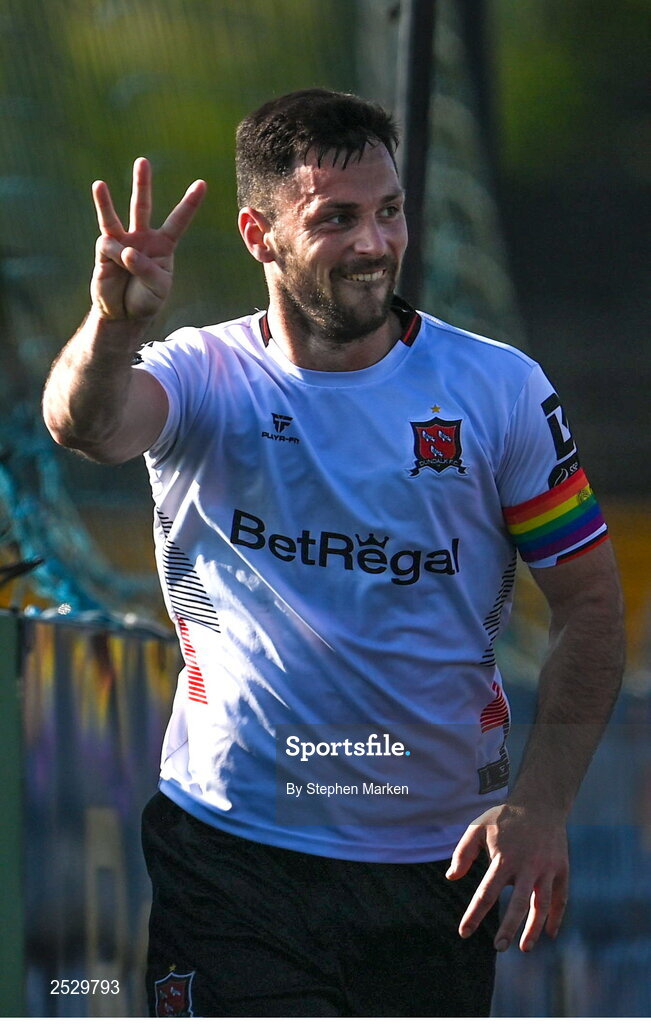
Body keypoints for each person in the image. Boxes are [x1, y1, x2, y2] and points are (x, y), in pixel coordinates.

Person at [42, 89, 625, 1017]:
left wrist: (543, 802)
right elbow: (84, 423)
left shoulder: (498, 390)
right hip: (231, 853)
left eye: (389, 212)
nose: (374, 244)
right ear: (258, 234)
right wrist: (114, 322)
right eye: (336, 219)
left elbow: (591, 606)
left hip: (436, 867)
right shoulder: (204, 376)